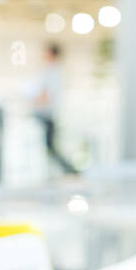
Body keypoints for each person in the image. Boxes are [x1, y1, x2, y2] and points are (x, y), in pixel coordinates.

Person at [31, 43, 77, 175]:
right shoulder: (52, 71)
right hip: (45, 113)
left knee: (49, 147)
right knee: (49, 147)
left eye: (46, 52)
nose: (44, 55)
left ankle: (70, 170)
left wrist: (35, 99)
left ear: (52, 54)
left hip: (47, 113)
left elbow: (47, 94)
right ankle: (69, 170)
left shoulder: (54, 72)